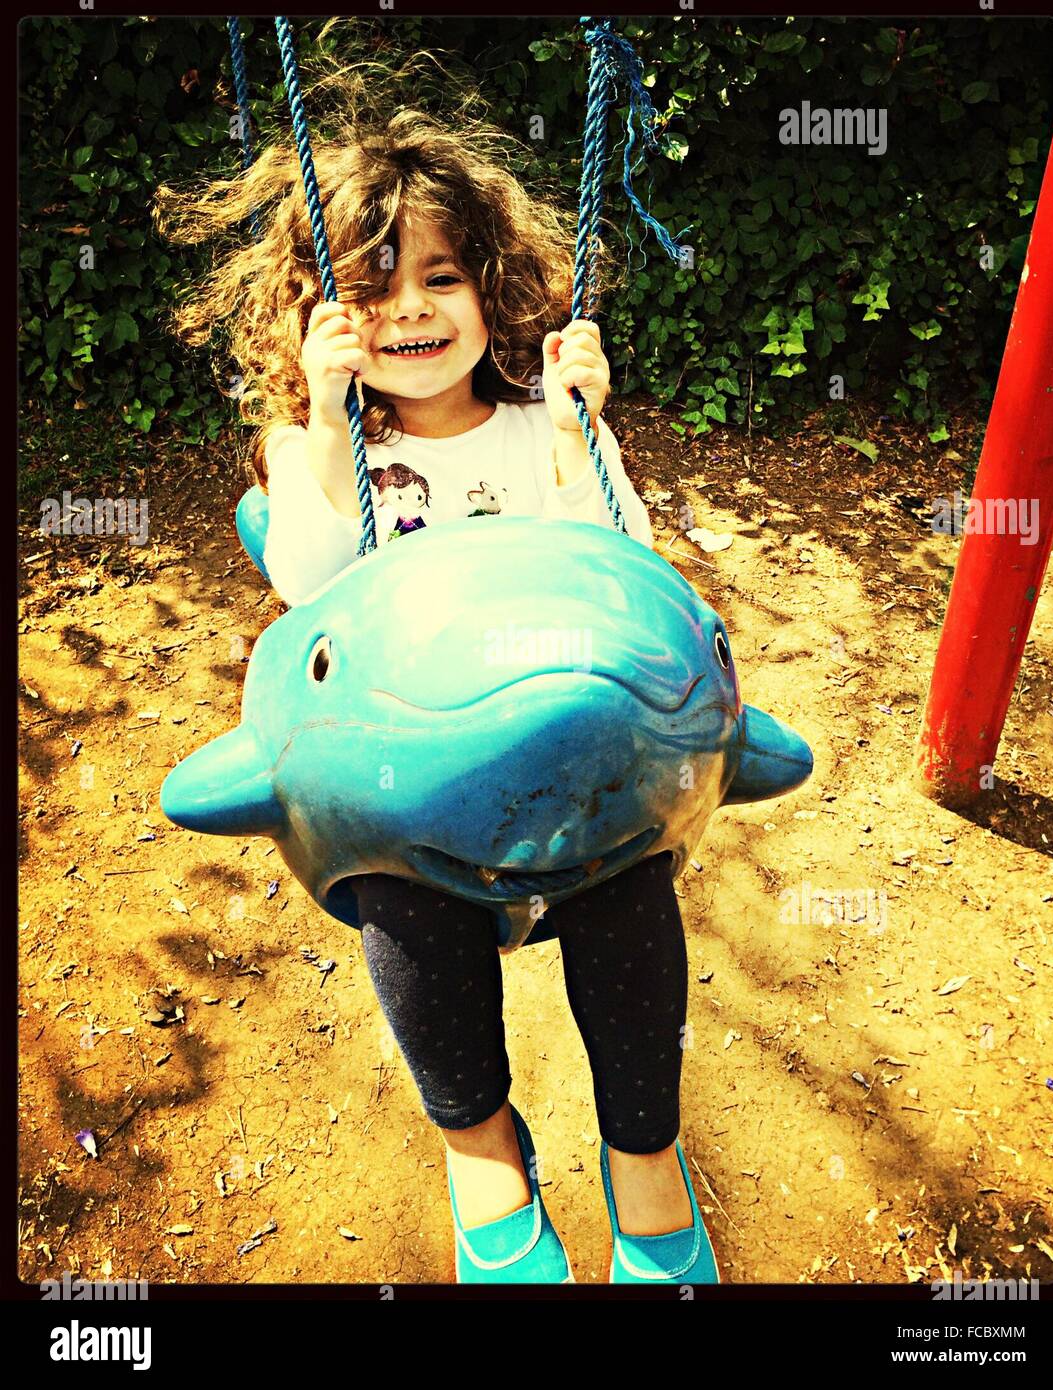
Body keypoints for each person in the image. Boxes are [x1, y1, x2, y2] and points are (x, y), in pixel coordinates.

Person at [155, 100, 717, 1286]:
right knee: (402, 911)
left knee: (631, 901)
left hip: (565, 780)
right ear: (319, 319)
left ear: (491, 290)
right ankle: (480, 1150)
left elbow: (621, 571)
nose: (409, 309)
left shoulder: (531, 430)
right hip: (412, 804)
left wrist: (579, 440)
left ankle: (646, 1161)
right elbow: (309, 585)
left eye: (442, 277)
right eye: (371, 289)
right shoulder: (319, 455)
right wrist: (319, 419)